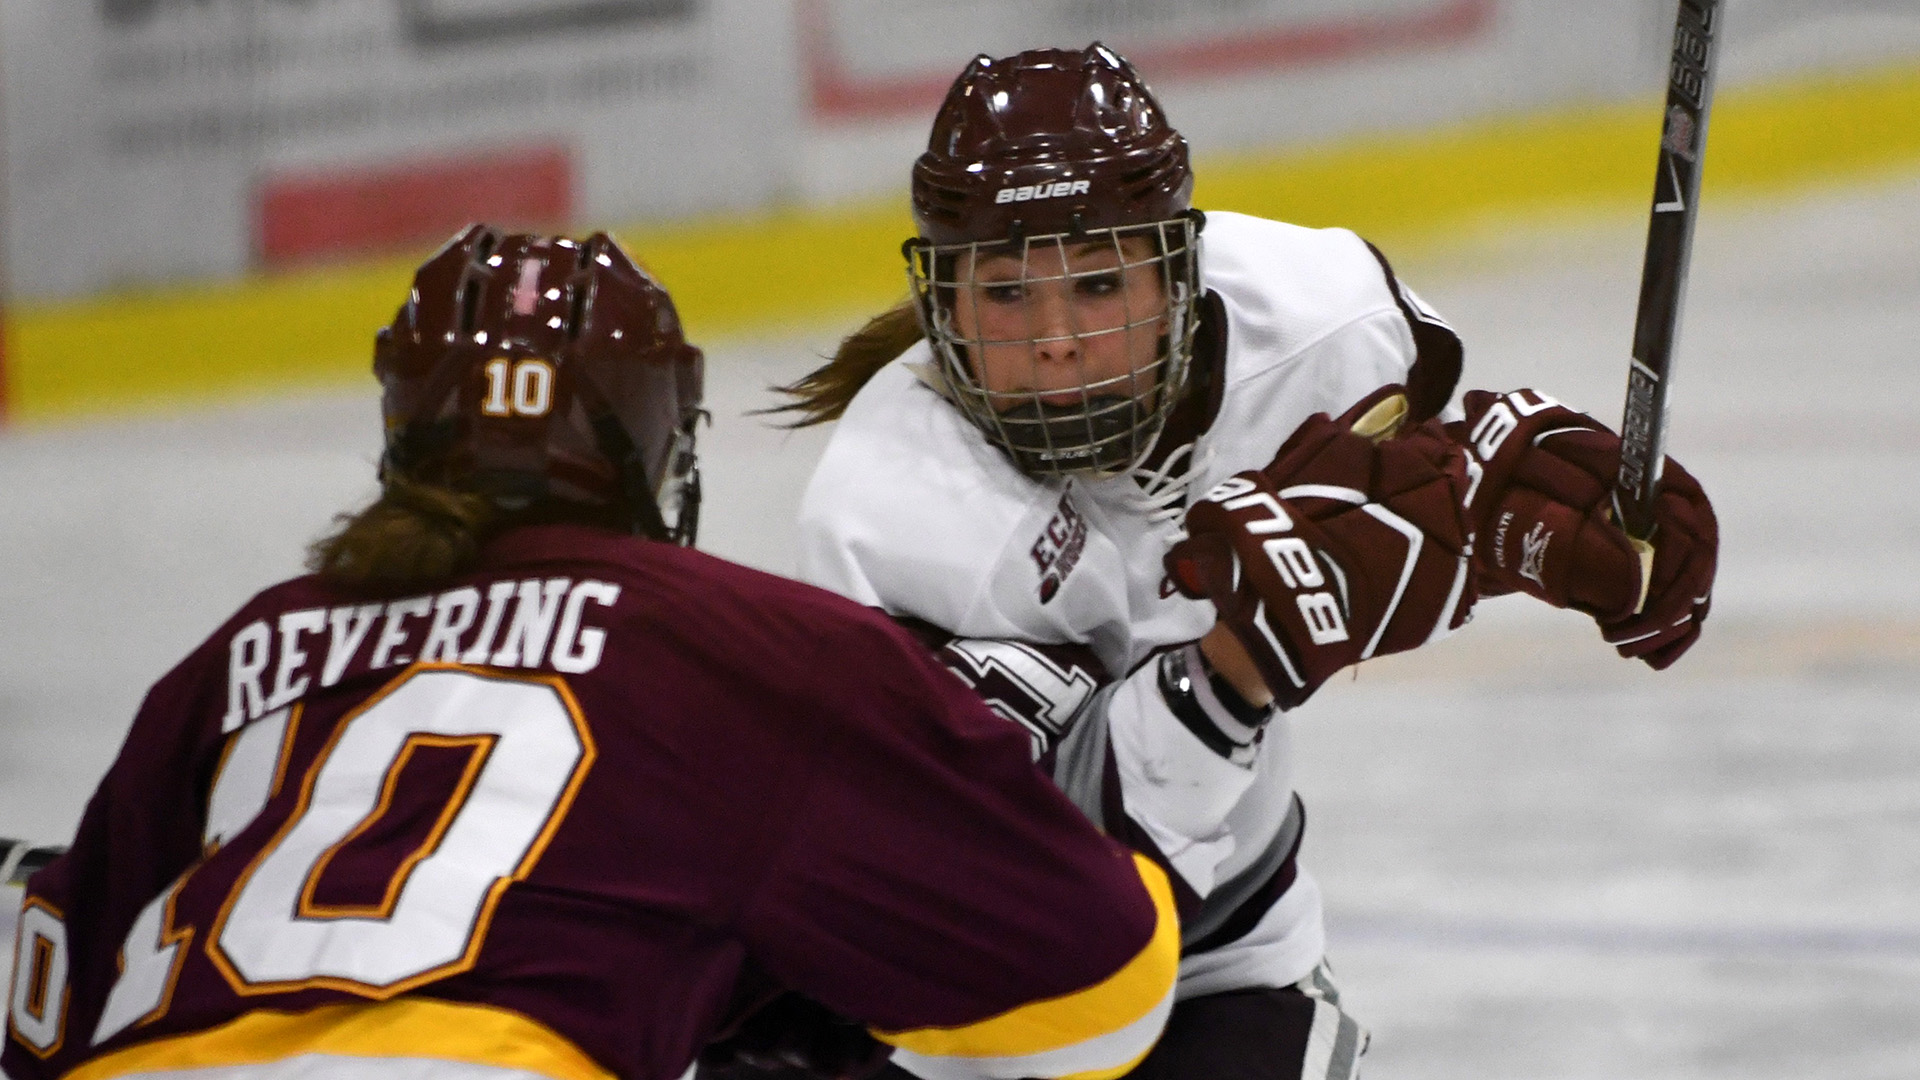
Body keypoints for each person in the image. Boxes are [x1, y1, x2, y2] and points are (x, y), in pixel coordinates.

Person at [1, 226, 1184, 1080]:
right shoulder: (747, 643)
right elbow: (1101, 996)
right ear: (660, 442)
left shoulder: (240, 650)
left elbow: (41, 1024)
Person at [781, 45, 1719, 1080]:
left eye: (1098, 284)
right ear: (945, 301)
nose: (1055, 340)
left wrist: (1525, 524)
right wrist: (1236, 661)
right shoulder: (893, 512)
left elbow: (1413, 504)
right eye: (1007, 295)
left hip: (1230, 949)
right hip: (967, 1006)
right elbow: (1044, 900)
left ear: (1180, 268)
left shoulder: (1326, 322)